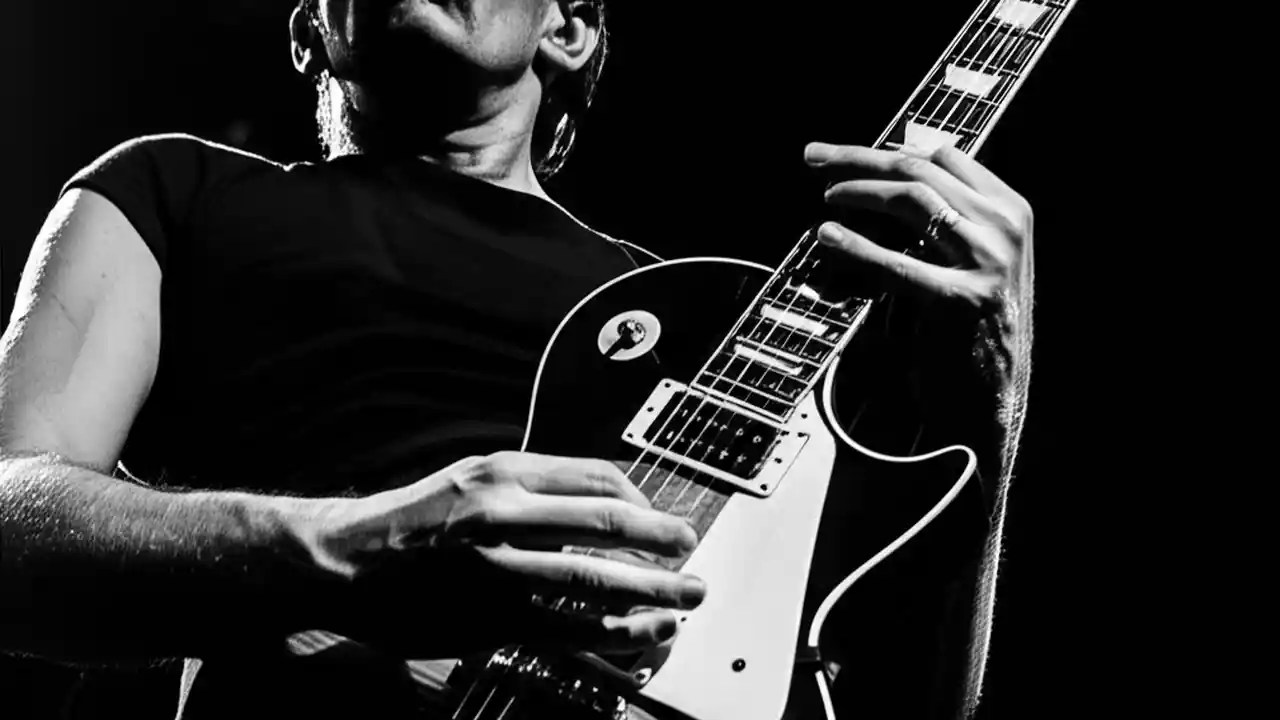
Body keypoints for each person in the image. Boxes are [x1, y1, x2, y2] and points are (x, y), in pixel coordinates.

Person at [0, 1, 1034, 718]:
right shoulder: (170, 187)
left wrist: (993, 405)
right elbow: (10, 518)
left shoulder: (708, 313)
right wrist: (354, 548)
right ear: (312, 26)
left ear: (569, 29)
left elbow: (898, 694)